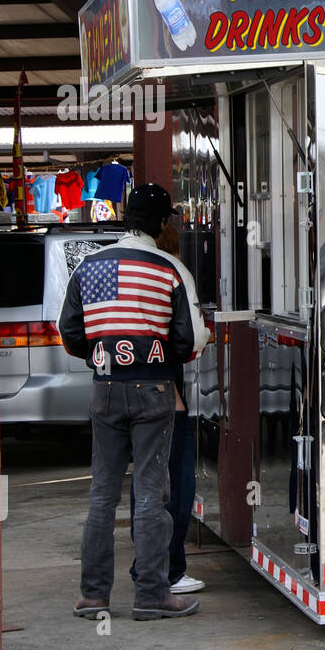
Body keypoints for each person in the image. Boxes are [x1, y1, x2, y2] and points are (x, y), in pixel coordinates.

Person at [59, 184, 211, 621]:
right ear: (162, 223)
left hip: (104, 389)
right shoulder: (169, 268)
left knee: (101, 494)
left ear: (126, 218)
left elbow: (69, 332)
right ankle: (151, 594)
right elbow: (190, 340)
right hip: (155, 392)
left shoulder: (89, 266)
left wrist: (103, 354)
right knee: (149, 493)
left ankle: (93, 596)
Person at [128, 219, 203, 595]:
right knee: (175, 482)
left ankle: (143, 564)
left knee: (141, 482)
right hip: (164, 395)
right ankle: (167, 571)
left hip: (122, 392)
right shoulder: (170, 274)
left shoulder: (121, 273)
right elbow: (191, 339)